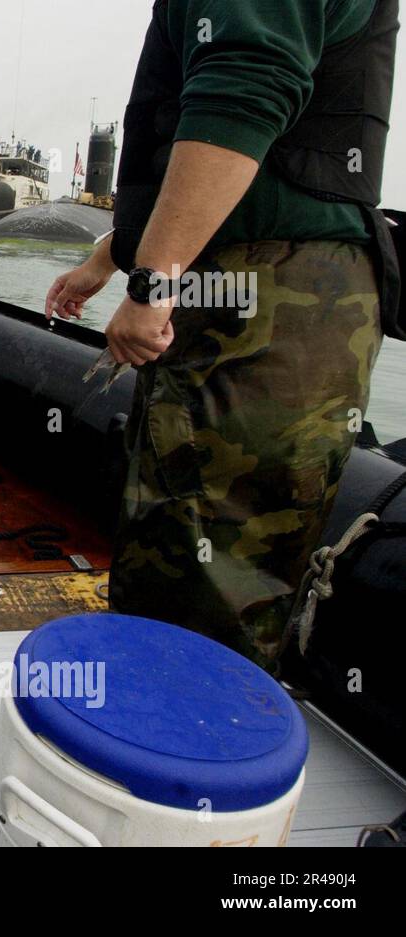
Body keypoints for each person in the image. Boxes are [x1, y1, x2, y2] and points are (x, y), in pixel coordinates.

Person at [44, 0, 397, 668]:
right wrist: (111, 258)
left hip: (263, 302)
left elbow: (245, 91)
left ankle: (173, 760)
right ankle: (177, 744)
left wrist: (151, 283)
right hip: (268, 289)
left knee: (205, 585)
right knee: (206, 567)